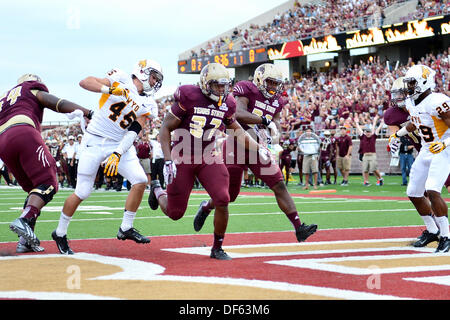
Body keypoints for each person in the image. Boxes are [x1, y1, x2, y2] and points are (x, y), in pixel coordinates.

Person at [148, 62, 269, 260]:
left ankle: (217, 247)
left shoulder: (228, 103)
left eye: (224, 85)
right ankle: (156, 189)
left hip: (208, 156)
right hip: (183, 155)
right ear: (205, 83)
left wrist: (259, 148)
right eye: (217, 85)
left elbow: (236, 129)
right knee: (174, 212)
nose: (221, 90)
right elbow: (165, 129)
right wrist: (168, 161)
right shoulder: (189, 96)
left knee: (223, 199)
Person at [190, 63, 317, 246]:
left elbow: (275, 122)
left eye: (276, 83)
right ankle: (206, 206)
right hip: (236, 143)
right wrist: (264, 120)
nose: (273, 87)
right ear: (259, 80)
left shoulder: (277, 101)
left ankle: (299, 228)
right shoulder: (246, 88)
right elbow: (238, 113)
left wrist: (275, 133)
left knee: (279, 184)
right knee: (229, 196)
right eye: (270, 82)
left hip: (257, 147)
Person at [52, 59, 163, 254]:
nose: (154, 82)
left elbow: (135, 129)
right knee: (83, 192)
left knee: (139, 180)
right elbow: (85, 82)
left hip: (119, 143)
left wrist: (118, 153)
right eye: (153, 77)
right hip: (94, 140)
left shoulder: (149, 103)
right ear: (143, 72)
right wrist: (110, 90)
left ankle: (125, 228)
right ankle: (60, 232)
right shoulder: (120, 77)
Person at [0, 74, 92, 253]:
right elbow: (55, 102)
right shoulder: (31, 89)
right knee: (48, 182)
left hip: (2, 141)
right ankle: (24, 220)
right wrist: (88, 112)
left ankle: (25, 241)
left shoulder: (5, 98)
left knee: (35, 189)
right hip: (23, 131)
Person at [390, 65, 450, 252]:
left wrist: (445, 144)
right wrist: (397, 135)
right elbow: (414, 124)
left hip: (443, 148)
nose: (408, 87)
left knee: (432, 190)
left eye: (412, 83)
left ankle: (446, 236)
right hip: (426, 150)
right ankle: (432, 231)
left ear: (424, 82)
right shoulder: (412, 103)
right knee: (414, 192)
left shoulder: (438, 101)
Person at [354, 114, 384, 186]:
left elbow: (377, 129)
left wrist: (380, 123)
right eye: (367, 132)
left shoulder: (373, 137)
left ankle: (380, 178)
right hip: (365, 155)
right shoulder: (363, 137)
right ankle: (366, 181)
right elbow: (359, 130)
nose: (368, 133)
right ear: (365, 132)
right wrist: (357, 123)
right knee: (365, 169)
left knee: (374, 168)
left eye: (369, 132)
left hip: (372, 155)